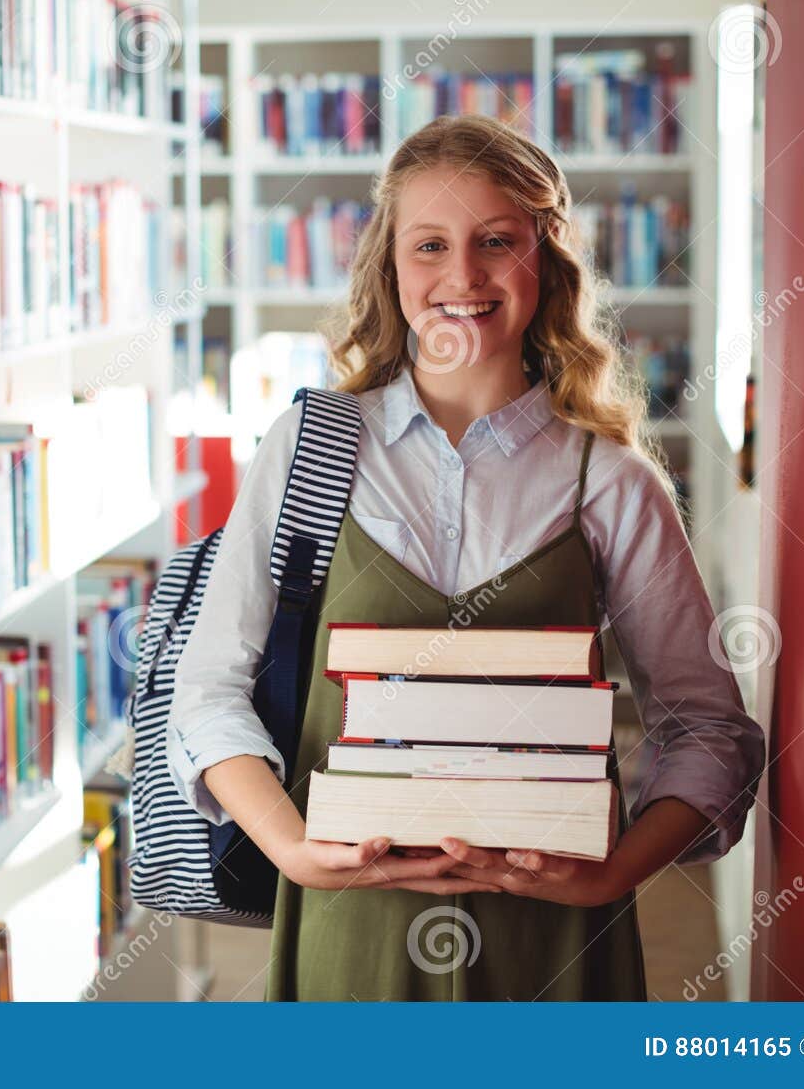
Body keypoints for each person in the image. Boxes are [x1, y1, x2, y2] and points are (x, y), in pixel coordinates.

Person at [165, 113, 766, 1001]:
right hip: (350, 924)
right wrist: (293, 847)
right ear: (389, 264)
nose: (462, 277)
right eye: (430, 245)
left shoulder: (610, 478)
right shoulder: (310, 448)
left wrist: (611, 874)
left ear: (546, 258)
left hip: (552, 941)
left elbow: (710, 729)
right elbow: (207, 687)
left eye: (497, 241)